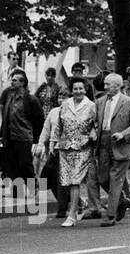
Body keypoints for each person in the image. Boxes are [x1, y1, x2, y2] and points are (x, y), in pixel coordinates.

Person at [42, 79, 99, 225]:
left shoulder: (91, 106)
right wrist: (53, 144)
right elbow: (58, 127)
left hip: (83, 146)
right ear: (72, 90)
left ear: (85, 90)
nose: (78, 91)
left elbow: (96, 124)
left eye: (81, 88)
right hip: (65, 147)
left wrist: (93, 132)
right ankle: (82, 205)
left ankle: (71, 215)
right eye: (75, 89)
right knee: (66, 181)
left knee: (75, 180)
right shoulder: (65, 105)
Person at [93, 73, 130, 225]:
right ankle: (122, 199)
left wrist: (124, 134)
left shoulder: (129, 103)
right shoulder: (100, 102)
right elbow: (96, 122)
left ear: (117, 86)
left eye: (108, 84)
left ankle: (111, 215)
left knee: (115, 179)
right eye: (105, 84)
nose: (105, 87)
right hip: (103, 142)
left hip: (121, 145)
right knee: (102, 178)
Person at [0, 68, 44, 202]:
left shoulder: (30, 99)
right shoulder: (9, 96)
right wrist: (2, 134)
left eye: (15, 80)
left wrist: (36, 138)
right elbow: (6, 116)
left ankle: (33, 187)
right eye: (11, 80)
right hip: (9, 136)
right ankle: (16, 191)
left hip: (24, 137)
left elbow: (39, 119)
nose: (12, 82)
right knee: (11, 165)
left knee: (25, 164)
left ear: (22, 83)